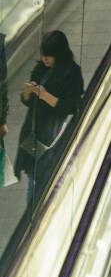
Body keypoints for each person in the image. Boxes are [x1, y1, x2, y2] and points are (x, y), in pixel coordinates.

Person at [15, 30, 83, 207]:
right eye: (43, 55)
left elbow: (72, 106)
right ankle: (32, 217)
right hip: (34, 131)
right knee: (33, 177)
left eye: (49, 56)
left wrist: (45, 96)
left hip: (54, 134)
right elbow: (28, 103)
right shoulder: (40, 70)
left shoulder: (72, 73)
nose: (45, 60)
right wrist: (26, 94)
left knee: (48, 178)